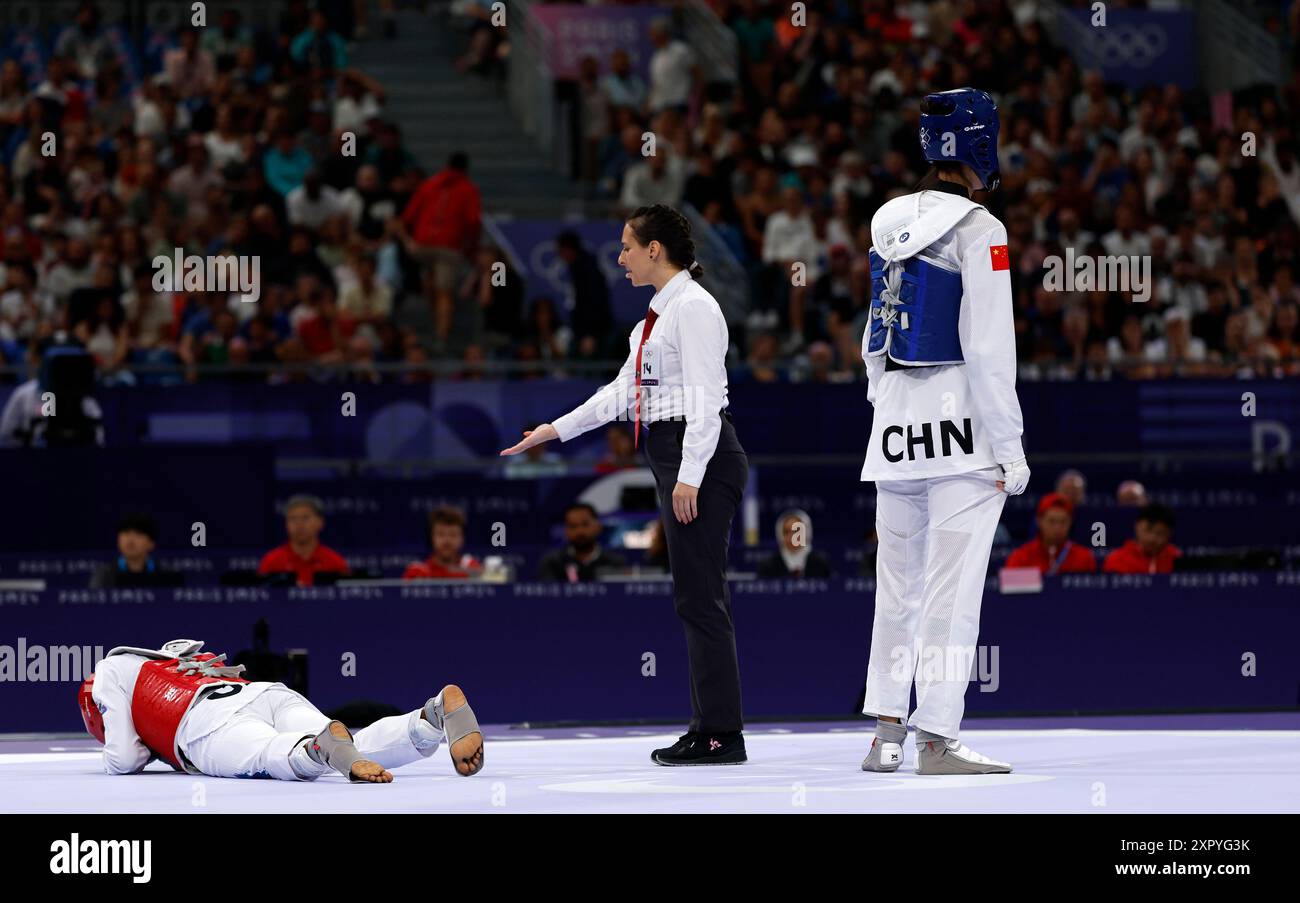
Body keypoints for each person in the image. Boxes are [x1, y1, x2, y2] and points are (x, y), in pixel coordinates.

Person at [501, 204, 750, 765]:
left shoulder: (695, 308)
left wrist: (690, 476)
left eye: (627, 247)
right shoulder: (649, 324)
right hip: (674, 454)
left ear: (654, 249)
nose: (620, 258)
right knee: (693, 596)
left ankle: (720, 734)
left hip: (700, 455)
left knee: (702, 597)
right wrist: (552, 430)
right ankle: (709, 726)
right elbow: (619, 396)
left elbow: (707, 397)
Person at [859, 89, 1028, 776]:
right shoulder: (982, 230)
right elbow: (990, 349)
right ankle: (936, 738)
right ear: (982, 145)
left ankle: (887, 732)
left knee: (896, 586)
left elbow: (876, 333)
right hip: (961, 436)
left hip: (894, 432)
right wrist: (1011, 448)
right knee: (951, 591)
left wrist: (885, 405)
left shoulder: (885, 219)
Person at [79, 639, 483, 782]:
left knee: (268, 756)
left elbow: (122, 758)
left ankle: (315, 750)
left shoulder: (110, 670)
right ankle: (429, 719)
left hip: (205, 724)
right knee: (353, 750)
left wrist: (148, 748)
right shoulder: (168, 655)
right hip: (262, 693)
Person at [257, 495, 349, 586]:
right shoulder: (271, 562)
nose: (299, 524)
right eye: (293, 519)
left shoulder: (335, 562)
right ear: (286, 524)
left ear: (320, 522)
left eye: (305, 518)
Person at [1004, 493, 1097, 574]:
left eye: (1063, 521)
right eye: (1052, 521)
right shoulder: (1020, 557)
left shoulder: (1084, 557)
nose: (1057, 527)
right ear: (1039, 521)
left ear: (1071, 522)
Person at [535, 502, 627, 582]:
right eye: (573, 526)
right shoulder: (552, 563)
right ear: (566, 531)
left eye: (585, 524)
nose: (580, 531)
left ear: (598, 527)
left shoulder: (615, 563)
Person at [89, 512, 182, 588]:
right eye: (125, 533)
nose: (130, 540)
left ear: (151, 543)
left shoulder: (165, 574)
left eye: (138, 534)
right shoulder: (104, 574)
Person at [403, 506, 483, 579]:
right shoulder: (417, 572)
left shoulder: (473, 569)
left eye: (453, 534)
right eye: (441, 534)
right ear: (431, 538)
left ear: (462, 539)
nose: (447, 540)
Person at [1103, 503, 1181, 574]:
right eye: (1148, 530)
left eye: (1160, 533)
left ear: (1170, 534)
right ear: (1137, 526)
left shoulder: (1176, 558)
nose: (1152, 538)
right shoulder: (1117, 560)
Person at [757, 508, 833, 578]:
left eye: (797, 531)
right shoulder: (767, 566)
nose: (792, 537)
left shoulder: (820, 564)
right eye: (787, 532)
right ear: (780, 534)